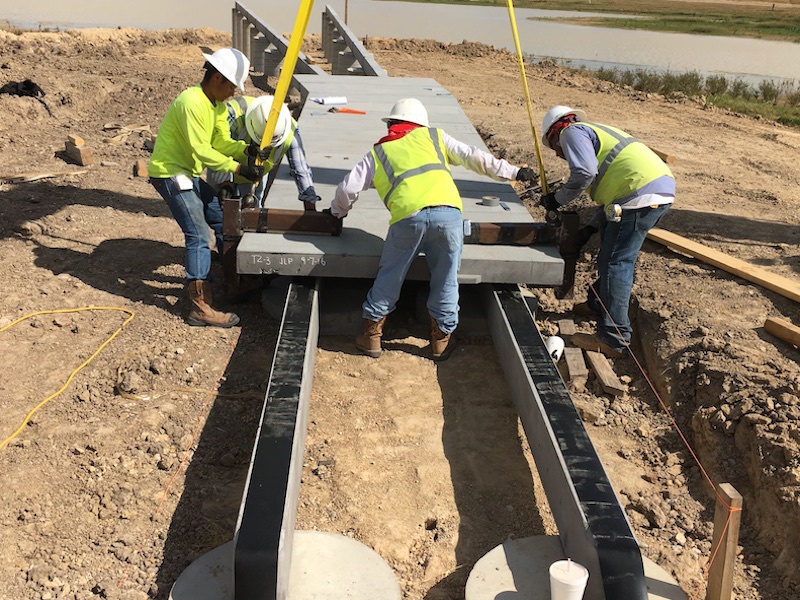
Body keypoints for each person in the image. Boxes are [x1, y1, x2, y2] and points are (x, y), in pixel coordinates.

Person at [327, 97, 537, 361]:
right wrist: (514, 171)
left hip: (408, 218)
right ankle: (441, 341)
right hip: (448, 216)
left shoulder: (379, 153)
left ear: (392, 124)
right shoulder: (436, 138)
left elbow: (348, 189)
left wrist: (336, 213)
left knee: (390, 274)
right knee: (446, 278)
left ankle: (371, 336)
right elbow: (474, 157)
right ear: (421, 124)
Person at [539, 105, 675, 358]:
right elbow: (608, 199)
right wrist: (590, 229)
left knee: (615, 262)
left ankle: (614, 337)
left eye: (555, 150)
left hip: (640, 195)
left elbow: (584, 173)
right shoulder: (595, 132)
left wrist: (557, 199)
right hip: (650, 191)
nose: (560, 155)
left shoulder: (570, 132)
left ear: (554, 134)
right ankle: (596, 304)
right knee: (615, 255)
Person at [148, 48, 265, 328]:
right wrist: (238, 168)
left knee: (222, 217)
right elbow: (201, 150)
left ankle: (233, 282)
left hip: (186, 173)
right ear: (216, 79)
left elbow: (221, 142)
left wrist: (246, 150)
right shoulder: (191, 102)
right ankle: (200, 306)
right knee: (199, 233)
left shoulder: (218, 106)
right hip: (170, 173)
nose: (234, 93)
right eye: (231, 86)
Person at [205, 94, 322, 210]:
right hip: (225, 166)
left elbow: (301, 170)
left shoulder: (290, 131)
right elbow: (217, 148)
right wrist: (223, 184)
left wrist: (310, 211)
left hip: (256, 174)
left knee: (253, 211)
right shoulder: (234, 115)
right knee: (219, 209)